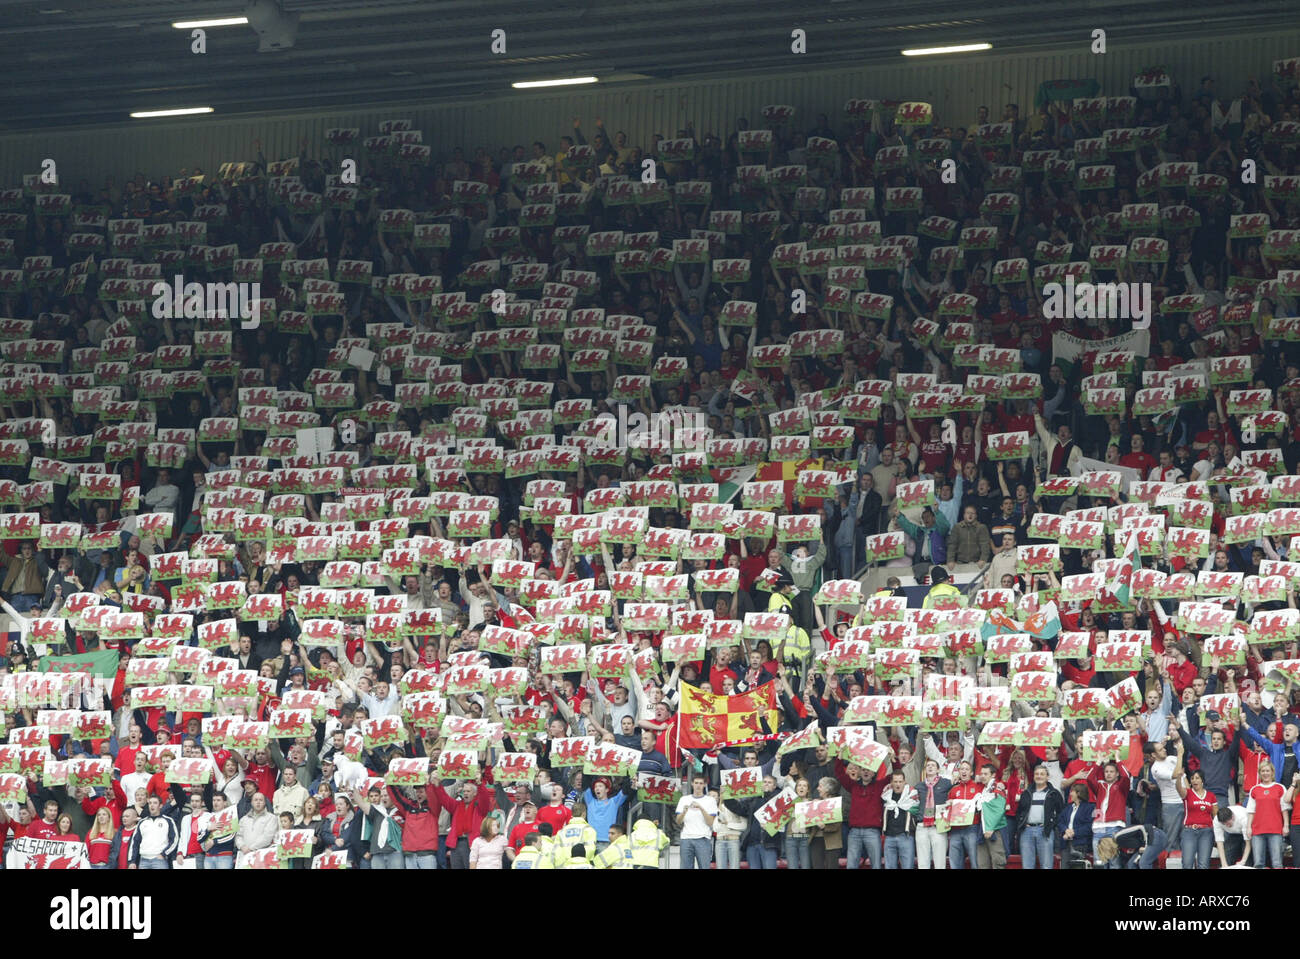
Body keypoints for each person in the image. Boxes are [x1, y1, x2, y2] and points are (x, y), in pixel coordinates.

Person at [1015, 763, 1064, 869]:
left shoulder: (1054, 793)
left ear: (1047, 777)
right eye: (1036, 774)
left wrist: (1051, 824)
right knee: (1027, 866)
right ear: (1033, 776)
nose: (1039, 776)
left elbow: (1061, 814)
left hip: (1045, 830)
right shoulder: (1026, 793)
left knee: (1046, 865)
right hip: (1026, 831)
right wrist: (1022, 824)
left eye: (1042, 774)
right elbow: (1019, 812)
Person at [1247, 760, 1287, 868]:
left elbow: (1284, 809)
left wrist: (1286, 826)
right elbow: (1251, 810)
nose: (1265, 773)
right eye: (1263, 771)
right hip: (1257, 830)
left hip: (1275, 829)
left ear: (1272, 773)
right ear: (1260, 773)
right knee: (1258, 863)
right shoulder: (1254, 789)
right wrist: (1248, 828)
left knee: (1277, 863)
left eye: (1267, 771)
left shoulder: (1280, 788)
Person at [675, 773, 717, 869]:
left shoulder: (710, 800)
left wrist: (701, 808)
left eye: (701, 783)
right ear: (692, 784)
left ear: (705, 785)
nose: (698, 785)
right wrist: (683, 812)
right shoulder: (684, 799)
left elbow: (711, 822)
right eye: (696, 783)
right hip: (686, 838)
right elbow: (678, 821)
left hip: (703, 838)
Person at [127, 794, 179, 869]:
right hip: (143, 860)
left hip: (160, 860)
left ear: (160, 806)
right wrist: (132, 861)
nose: (152, 805)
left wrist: (164, 854)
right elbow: (135, 842)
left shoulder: (168, 821)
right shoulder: (142, 822)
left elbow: (174, 840)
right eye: (150, 803)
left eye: (155, 803)